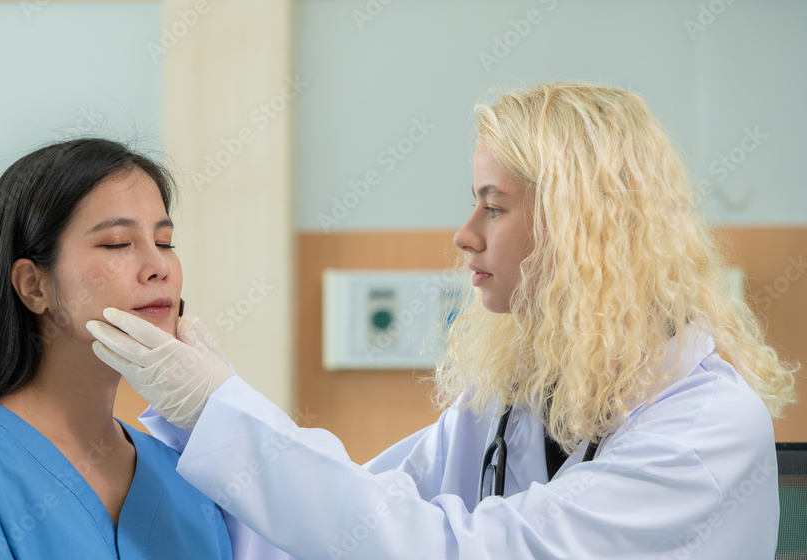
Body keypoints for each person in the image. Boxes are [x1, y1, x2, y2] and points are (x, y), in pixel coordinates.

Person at [87, 83, 799, 559]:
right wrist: (206, 418)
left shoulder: (704, 433)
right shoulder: (517, 401)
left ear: (580, 227)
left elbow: (454, 549)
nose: (465, 234)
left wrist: (221, 410)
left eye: (494, 206)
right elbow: (352, 518)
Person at [0, 138, 232, 559]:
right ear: (34, 286)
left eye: (165, 242)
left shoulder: (187, 480)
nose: (159, 267)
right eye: (116, 243)